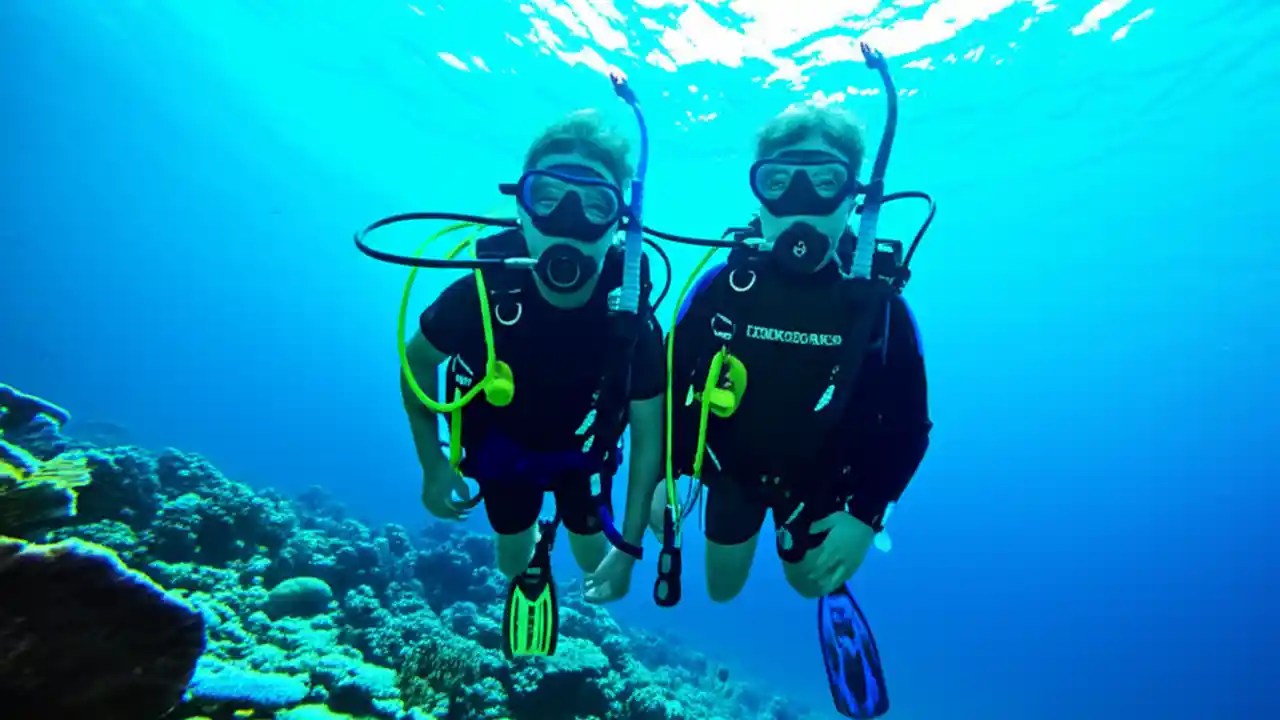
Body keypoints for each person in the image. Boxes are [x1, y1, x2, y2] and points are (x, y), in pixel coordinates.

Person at [659, 103, 932, 603]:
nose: (800, 203)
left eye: (825, 183)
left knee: (809, 584)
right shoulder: (721, 287)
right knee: (722, 588)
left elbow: (910, 428)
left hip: (825, 481)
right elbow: (668, 384)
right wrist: (666, 474)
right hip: (730, 469)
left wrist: (866, 516)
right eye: (779, 181)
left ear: (854, 199)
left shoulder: (880, 307)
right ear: (758, 195)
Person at [401, 109, 665, 613]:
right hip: (503, 454)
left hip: (583, 453)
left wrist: (628, 548)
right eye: (546, 197)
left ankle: (570, 570)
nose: (567, 222)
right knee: (510, 554)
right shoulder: (477, 295)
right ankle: (530, 575)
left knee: (592, 556)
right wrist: (432, 465)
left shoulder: (630, 318)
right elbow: (417, 363)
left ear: (618, 223)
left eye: (594, 204)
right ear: (521, 209)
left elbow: (651, 432)